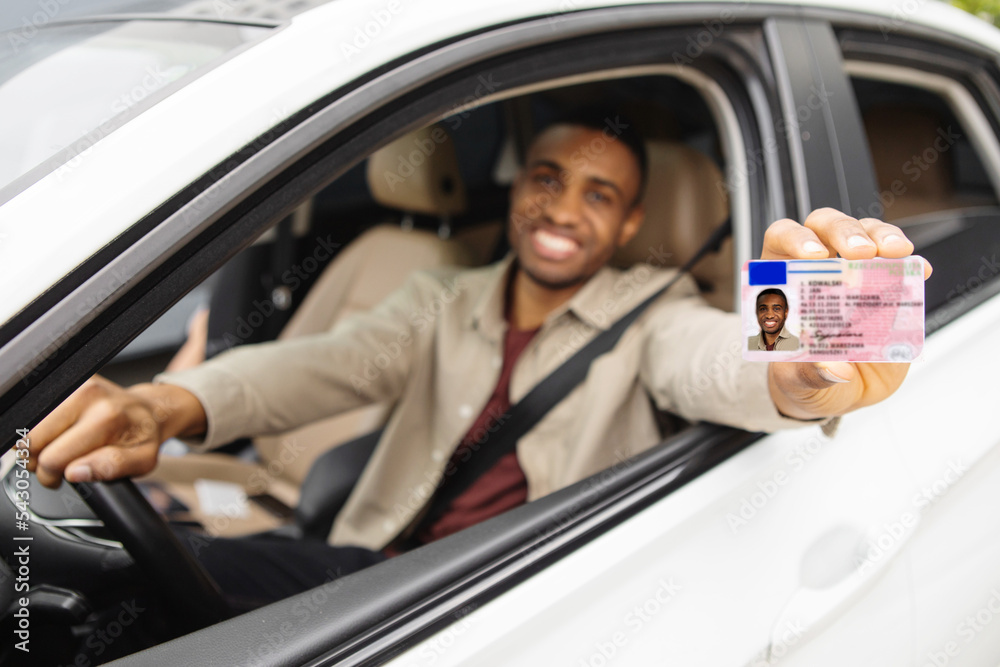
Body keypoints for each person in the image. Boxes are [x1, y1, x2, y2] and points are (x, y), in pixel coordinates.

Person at [25, 111, 930, 611]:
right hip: (376, 568)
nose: (562, 208)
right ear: (518, 191)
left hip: (508, 603)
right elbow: (320, 366)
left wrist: (805, 370)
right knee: (134, 585)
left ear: (627, 224)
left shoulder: (658, 313)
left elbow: (717, 363)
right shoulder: (444, 296)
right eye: (547, 179)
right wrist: (164, 406)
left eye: (598, 194)